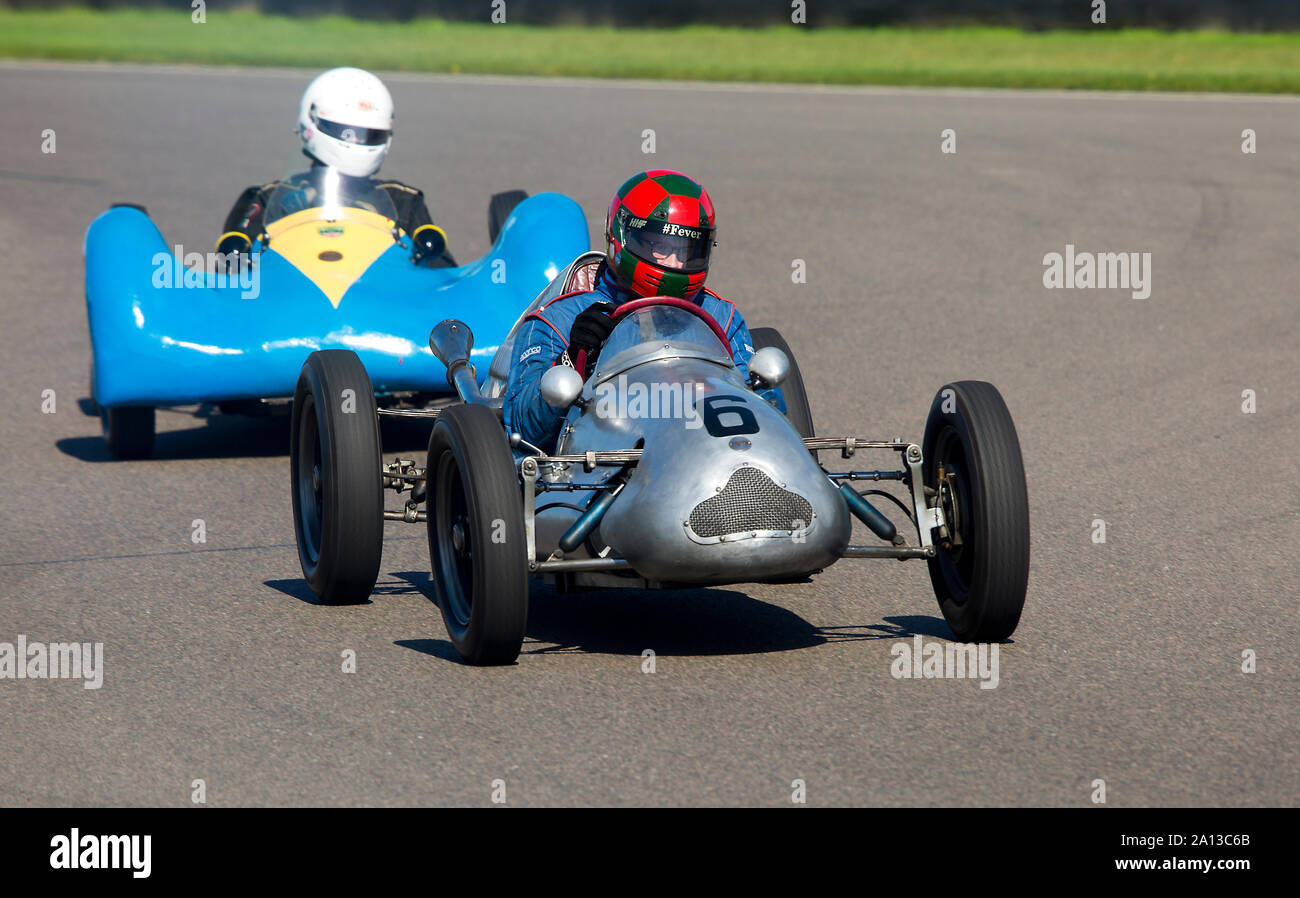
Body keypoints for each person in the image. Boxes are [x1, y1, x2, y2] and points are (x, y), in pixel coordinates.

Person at [503, 169, 760, 450]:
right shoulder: (558, 320)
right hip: (608, 468)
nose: (674, 263)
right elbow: (521, 430)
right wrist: (572, 359)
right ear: (620, 239)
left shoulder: (722, 317)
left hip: (703, 455)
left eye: (687, 249)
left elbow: (768, 410)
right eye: (660, 246)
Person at [215, 67, 453, 267]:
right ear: (313, 122)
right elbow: (231, 273)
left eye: (369, 135)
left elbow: (441, 277)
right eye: (349, 133)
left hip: (379, 306)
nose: (358, 141)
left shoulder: (404, 202)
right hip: (290, 304)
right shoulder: (266, 199)